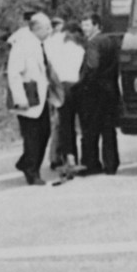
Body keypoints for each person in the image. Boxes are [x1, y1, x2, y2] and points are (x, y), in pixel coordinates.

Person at [8, 11, 53, 185]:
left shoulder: (41, 44)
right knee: (32, 135)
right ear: (37, 28)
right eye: (46, 28)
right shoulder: (22, 45)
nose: (49, 31)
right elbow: (14, 73)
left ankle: (26, 162)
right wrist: (20, 98)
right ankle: (32, 171)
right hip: (28, 95)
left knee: (44, 133)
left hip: (41, 96)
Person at [78, 13, 121, 176]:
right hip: (110, 89)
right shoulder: (110, 41)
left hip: (94, 91)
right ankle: (111, 164)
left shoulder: (93, 43)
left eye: (87, 25)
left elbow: (92, 66)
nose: (84, 28)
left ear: (96, 26)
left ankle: (91, 163)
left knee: (90, 129)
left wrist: (84, 84)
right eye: (83, 25)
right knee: (108, 129)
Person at [44, 19, 86, 178]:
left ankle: (68, 158)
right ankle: (79, 159)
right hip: (77, 86)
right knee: (79, 124)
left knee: (64, 125)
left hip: (60, 86)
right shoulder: (79, 48)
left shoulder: (54, 45)